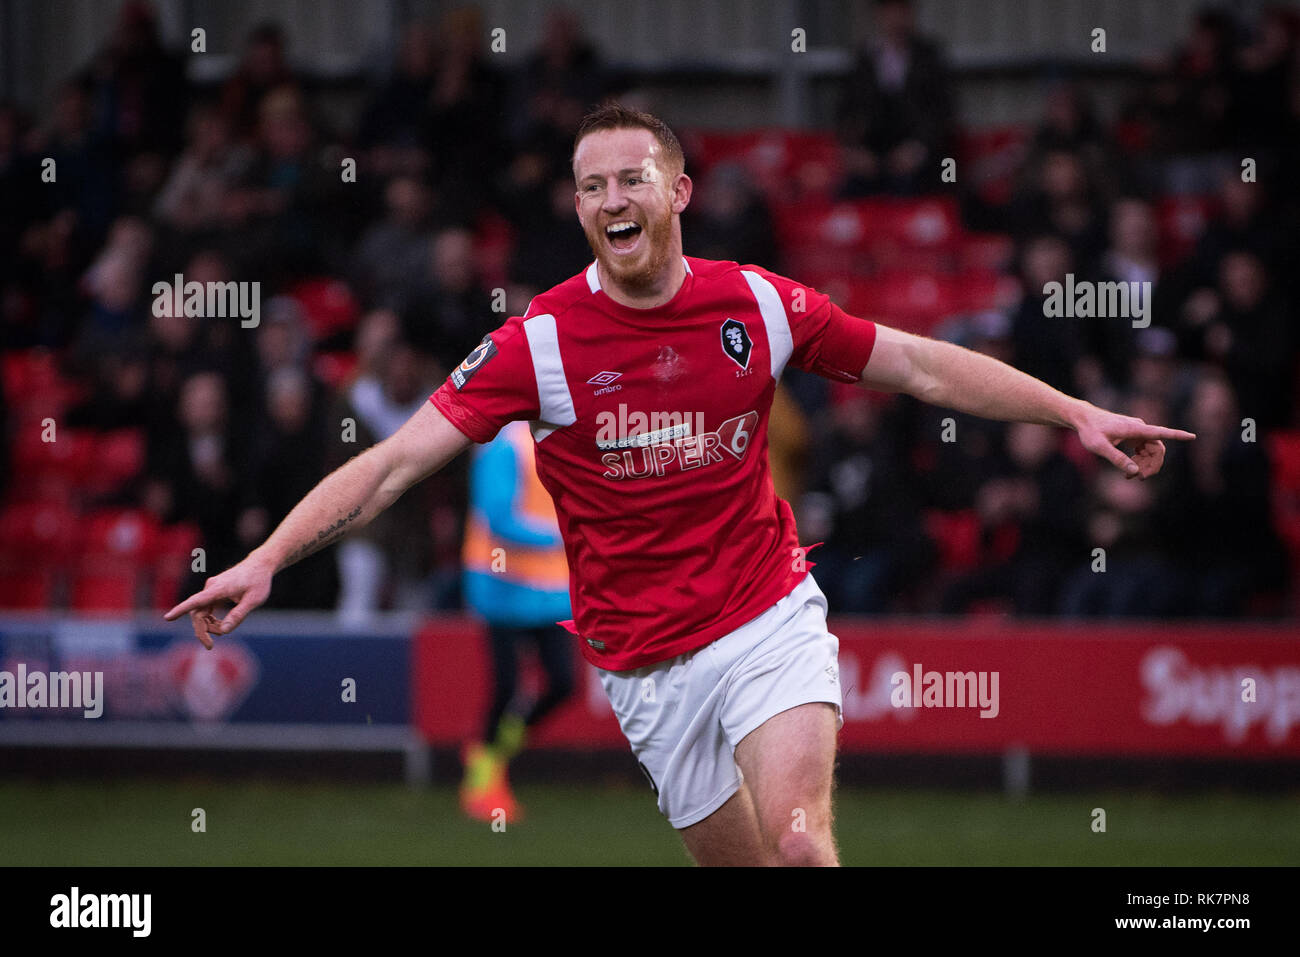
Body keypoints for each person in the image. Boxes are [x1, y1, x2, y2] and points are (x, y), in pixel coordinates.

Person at [166, 103, 1195, 866]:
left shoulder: (758, 304)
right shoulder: (541, 343)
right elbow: (393, 463)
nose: (614, 199)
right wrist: (264, 558)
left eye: (632, 177)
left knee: (800, 847)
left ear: (676, 192)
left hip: (764, 616)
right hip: (642, 667)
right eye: (593, 186)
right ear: (577, 207)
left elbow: (919, 365)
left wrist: (1075, 412)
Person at [459, 420, 574, 822]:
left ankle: (493, 754)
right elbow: (498, 518)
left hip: (549, 592)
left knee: (563, 683)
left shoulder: (562, 438)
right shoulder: (506, 446)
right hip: (502, 588)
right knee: (506, 686)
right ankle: (484, 777)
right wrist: (567, 532)